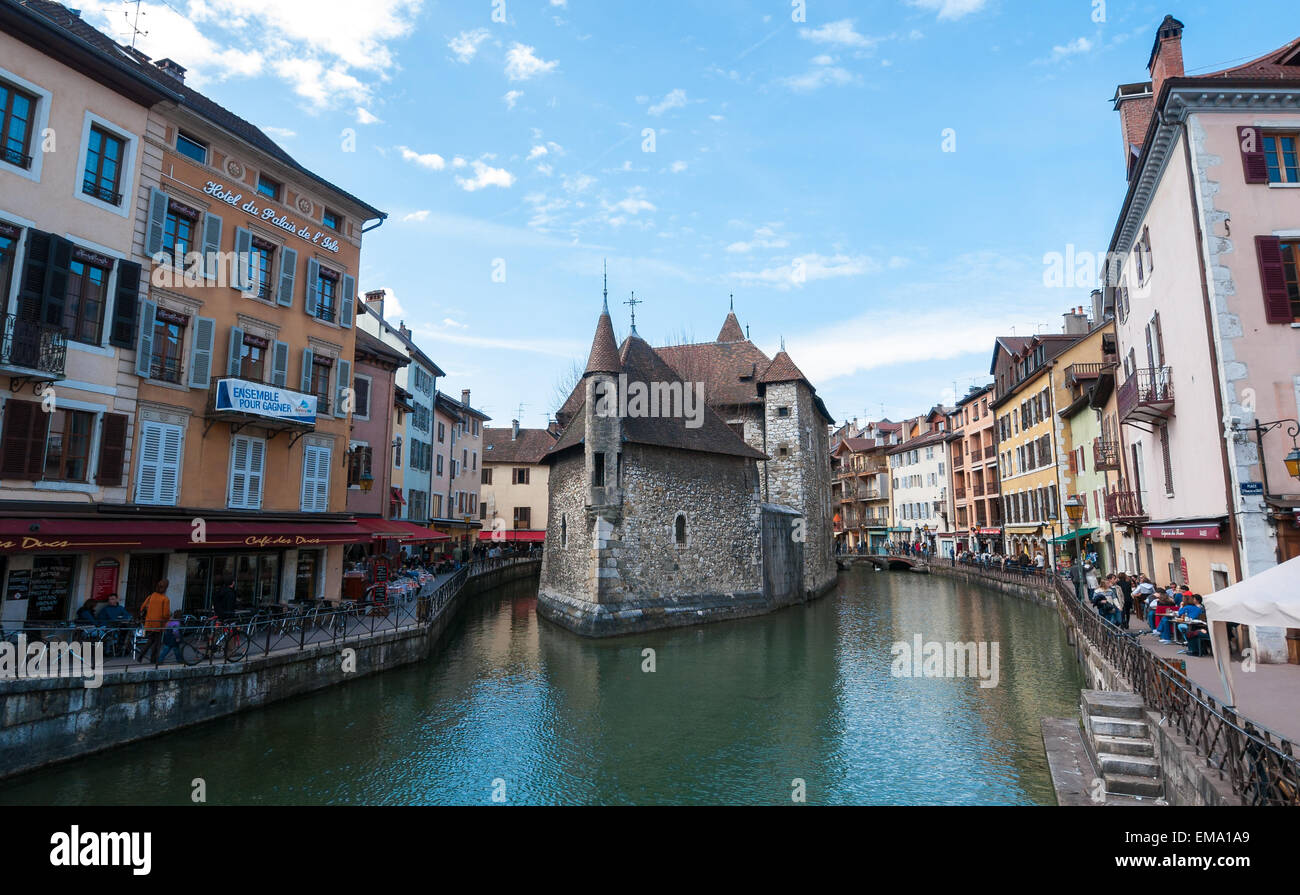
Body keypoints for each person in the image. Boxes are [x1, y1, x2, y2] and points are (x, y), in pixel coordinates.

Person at [139, 580, 172, 664]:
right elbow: (165, 614)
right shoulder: (165, 599)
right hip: (159, 624)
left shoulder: (151, 596)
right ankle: (154, 660)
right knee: (157, 643)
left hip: (149, 623)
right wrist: (169, 617)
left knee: (151, 640)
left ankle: (141, 655)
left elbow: (142, 608)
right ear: (166, 588)